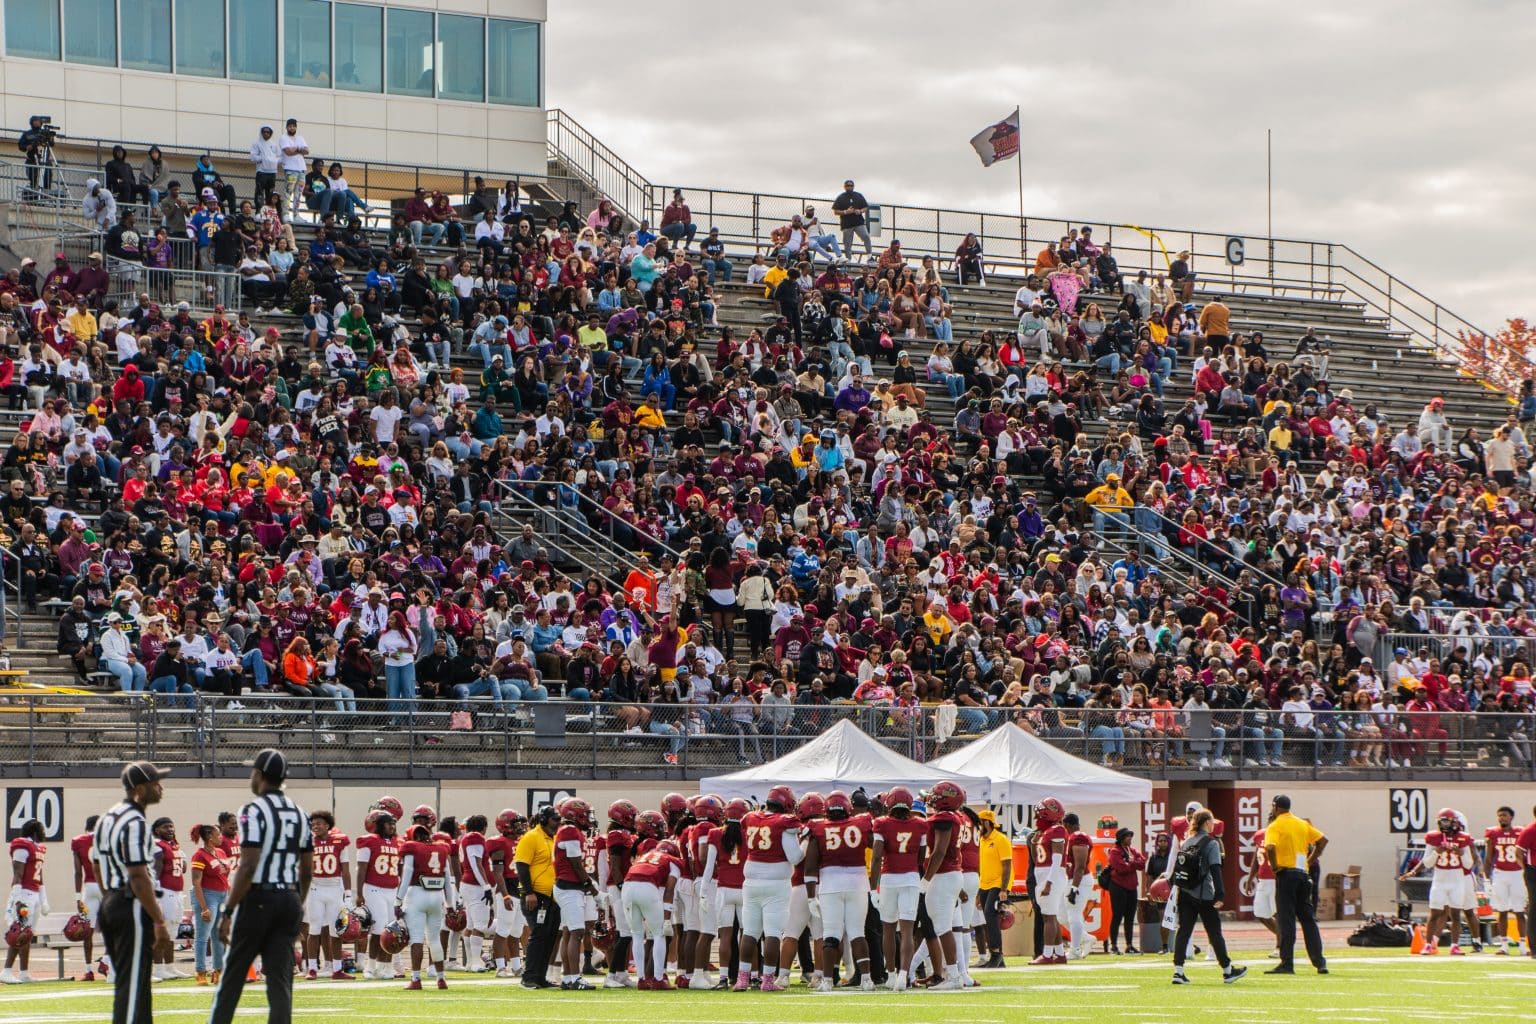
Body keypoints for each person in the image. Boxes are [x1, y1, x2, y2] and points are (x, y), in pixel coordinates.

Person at [207, 749, 313, 1024]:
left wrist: (228, 911)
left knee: (232, 978)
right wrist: (296, 901)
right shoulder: (300, 813)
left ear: (260, 775)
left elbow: (249, 864)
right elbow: (307, 869)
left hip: (259, 898)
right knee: (280, 983)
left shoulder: (252, 810)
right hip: (289, 896)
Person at [94, 761, 175, 1024]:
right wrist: (159, 920)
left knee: (134, 984)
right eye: (155, 783)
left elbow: (96, 863)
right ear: (140, 788)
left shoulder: (108, 817)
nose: (160, 788)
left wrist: (110, 896)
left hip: (112, 901)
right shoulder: (135, 821)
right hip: (130, 903)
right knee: (134, 986)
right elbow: (138, 876)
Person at [1170, 810, 1246, 985]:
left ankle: (1178, 971)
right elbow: (1215, 869)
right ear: (1206, 823)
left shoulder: (1187, 841)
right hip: (1204, 894)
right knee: (1214, 932)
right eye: (1211, 821)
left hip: (1185, 893)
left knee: (1184, 931)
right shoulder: (1211, 843)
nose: (1213, 824)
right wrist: (1220, 894)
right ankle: (1227, 971)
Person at [1264, 794, 1327, 973]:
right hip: (1302, 874)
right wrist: (1310, 860)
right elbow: (1323, 840)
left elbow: (1270, 847)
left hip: (1286, 874)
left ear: (1275, 807)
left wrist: (1275, 867)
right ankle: (1319, 962)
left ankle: (1287, 963)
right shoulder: (1301, 823)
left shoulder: (1275, 825)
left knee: (1286, 920)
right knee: (1308, 919)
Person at [395, 822, 455, 989]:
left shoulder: (411, 847)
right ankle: (441, 978)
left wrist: (398, 900)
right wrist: (450, 905)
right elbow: (448, 881)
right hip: (436, 897)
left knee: (416, 939)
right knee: (434, 940)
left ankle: (415, 979)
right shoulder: (442, 849)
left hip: (416, 895)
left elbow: (406, 875)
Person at [550, 799, 598, 990]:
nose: (588, 818)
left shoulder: (568, 831)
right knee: (576, 932)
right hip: (569, 887)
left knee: (569, 932)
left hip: (567, 886)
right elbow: (575, 862)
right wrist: (589, 884)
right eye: (585, 814)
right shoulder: (570, 831)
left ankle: (569, 977)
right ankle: (574, 977)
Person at [301, 811, 351, 980]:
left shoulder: (340, 841)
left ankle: (337, 969)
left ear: (328, 825)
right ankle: (312, 968)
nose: (316, 827)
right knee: (314, 929)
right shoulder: (307, 842)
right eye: (313, 824)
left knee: (336, 931)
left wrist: (348, 894)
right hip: (315, 889)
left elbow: (345, 869)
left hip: (335, 887)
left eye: (319, 823)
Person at [515, 803, 560, 989]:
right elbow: (522, 866)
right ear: (544, 820)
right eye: (554, 819)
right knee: (539, 934)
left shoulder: (555, 838)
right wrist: (528, 892)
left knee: (550, 936)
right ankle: (529, 976)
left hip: (553, 896)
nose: (558, 823)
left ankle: (540, 976)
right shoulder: (531, 837)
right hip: (536, 895)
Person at [2, 818, 47, 983]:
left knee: (27, 935)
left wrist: (43, 899)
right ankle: (6, 971)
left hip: (33, 893)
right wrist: (18, 899)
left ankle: (24, 972)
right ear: (35, 831)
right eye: (41, 829)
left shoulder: (38, 848)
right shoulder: (22, 845)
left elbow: (40, 876)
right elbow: (18, 874)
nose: (44, 833)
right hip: (24, 894)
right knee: (18, 933)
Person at [1028, 797, 1069, 965]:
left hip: (1052, 876)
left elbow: (1057, 859)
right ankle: (1059, 954)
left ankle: (1046, 954)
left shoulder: (1057, 830)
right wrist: (1033, 843)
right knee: (1051, 916)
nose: (1038, 819)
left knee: (1049, 917)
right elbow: (1036, 859)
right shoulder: (1045, 832)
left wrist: (1049, 882)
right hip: (1045, 875)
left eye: (1040, 815)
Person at [189, 824, 231, 985]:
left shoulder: (220, 852)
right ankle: (200, 972)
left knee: (219, 935)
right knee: (202, 936)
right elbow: (196, 882)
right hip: (207, 895)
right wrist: (204, 907)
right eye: (218, 835)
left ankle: (218, 971)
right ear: (209, 837)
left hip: (222, 895)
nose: (221, 837)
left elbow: (225, 877)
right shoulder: (199, 855)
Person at [1483, 806, 1527, 955]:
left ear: (1511, 817)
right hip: (1500, 873)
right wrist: (1486, 878)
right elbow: (1489, 857)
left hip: (1517, 873)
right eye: (1500, 815)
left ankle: (1522, 944)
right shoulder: (1492, 833)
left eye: (1505, 815)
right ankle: (1504, 945)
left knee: (1519, 910)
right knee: (1501, 910)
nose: (1502, 818)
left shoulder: (1520, 832)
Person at [975, 808, 1012, 968]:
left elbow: (1007, 865)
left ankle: (996, 954)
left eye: (980, 823)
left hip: (998, 883)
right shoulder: (982, 840)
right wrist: (978, 891)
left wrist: (1004, 889)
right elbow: (982, 866)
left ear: (986, 823)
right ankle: (998, 958)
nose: (978, 826)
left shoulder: (1000, 839)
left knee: (991, 914)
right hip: (985, 883)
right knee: (988, 918)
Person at [1104, 827, 1144, 954]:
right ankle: (1114, 945)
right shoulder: (1114, 851)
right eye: (1127, 836)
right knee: (1117, 916)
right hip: (1118, 886)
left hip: (1131, 886)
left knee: (1130, 917)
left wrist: (1130, 863)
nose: (1130, 838)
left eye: (1130, 836)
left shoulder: (1131, 850)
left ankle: (1129, 945)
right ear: (1121, 838)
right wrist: (1133, 864)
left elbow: (1142, 863)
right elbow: (1121, 868)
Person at [832, 179, 871, 259]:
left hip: (859, 222)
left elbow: (866, 207)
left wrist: (860, 211)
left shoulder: (858, 195)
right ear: (844, 187)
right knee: (847, 244)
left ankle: (869, 256)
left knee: (866, 236)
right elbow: (835, 211)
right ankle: (848, 261)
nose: (849, 187)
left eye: (851, 185)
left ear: (853, 186)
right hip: (847, 224)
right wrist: (846, 212)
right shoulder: (841, 197)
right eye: (848, 185)